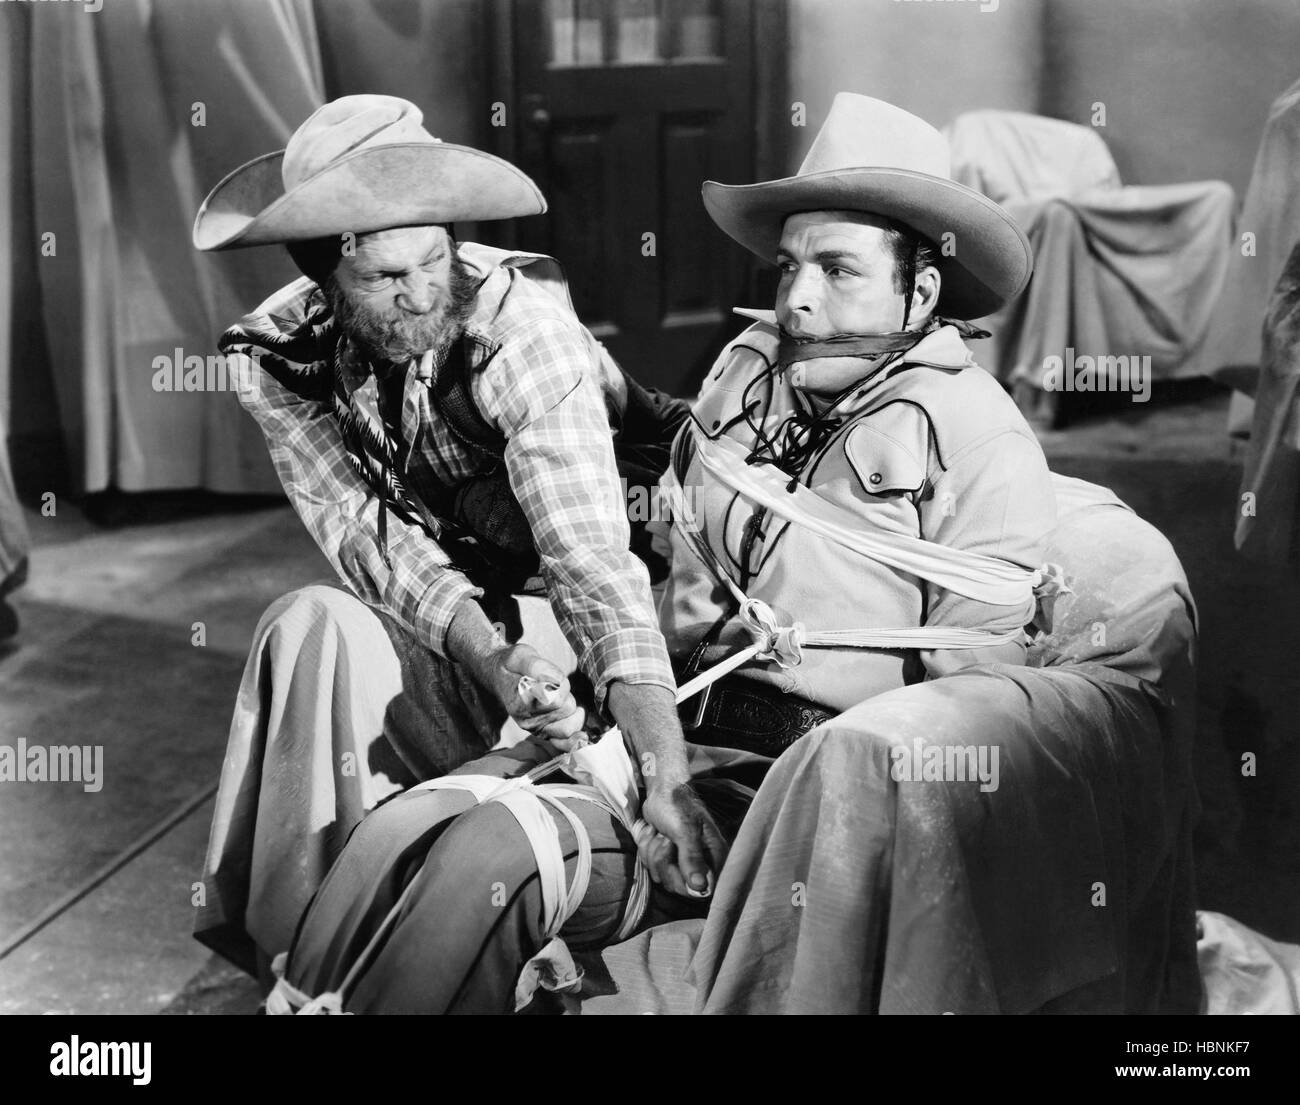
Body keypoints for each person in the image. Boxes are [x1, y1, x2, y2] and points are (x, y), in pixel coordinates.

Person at [270, 94, 1060, 1014]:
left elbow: (989, 715)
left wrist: (822, 796)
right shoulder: (745, 377)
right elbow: (636, 567)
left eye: (839, 270)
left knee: (490, 860)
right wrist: (652, 750)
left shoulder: (979, 440)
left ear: (920, 291)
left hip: (809, 789)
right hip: (672, 730)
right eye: (790, 265)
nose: (796, 298)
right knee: (399, 834)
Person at [189, 95, 721, 974]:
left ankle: (438, 923)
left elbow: (591, 564)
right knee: (308, 624)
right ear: (327, 277)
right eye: (384, 279)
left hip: (622, 637)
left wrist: (665, 768)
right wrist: (490, 655)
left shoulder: (522, 334)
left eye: (434, 258)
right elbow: (368, 537)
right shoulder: (275, 352)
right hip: (471, 624)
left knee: (591, 739)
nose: (422, 292)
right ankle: (313, 956)